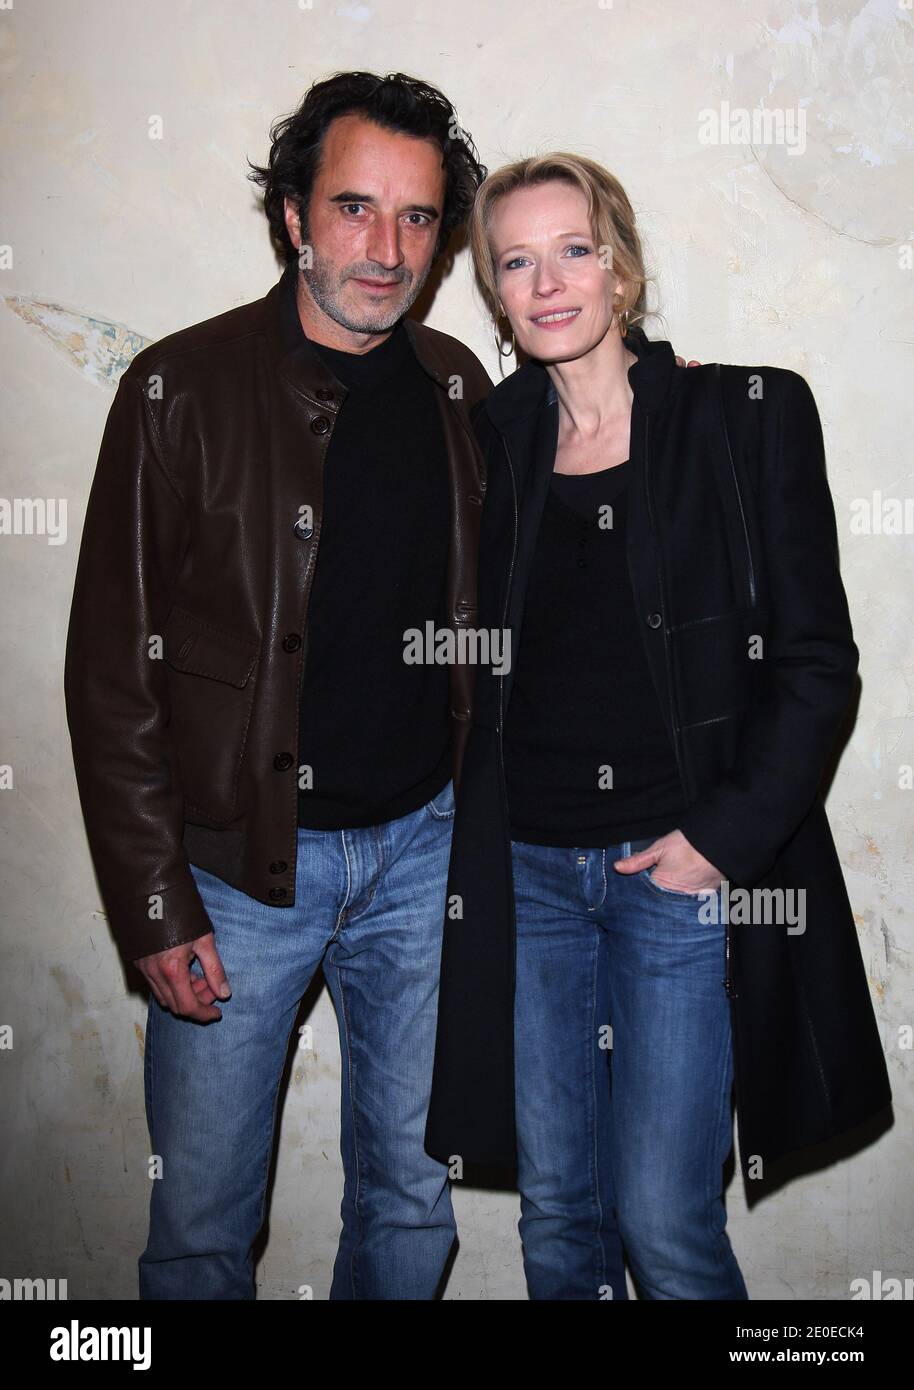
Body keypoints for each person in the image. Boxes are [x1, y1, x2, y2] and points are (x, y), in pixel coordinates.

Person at [424, 153, 892, 1300]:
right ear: (490, 287)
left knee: (662, 1222)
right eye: (515, 261)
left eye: (572, 250)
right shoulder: (492, 443)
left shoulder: (745, 417)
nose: (546, 283)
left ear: (619, 269)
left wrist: (722, 842)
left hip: (672, 877)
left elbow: (814, 665)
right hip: (527, 875)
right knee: (558, 1224)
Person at [63, 70, 494, 1300]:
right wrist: (151, 901)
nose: (386, 247)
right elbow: (111, 671)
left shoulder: (461, 386)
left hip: (424, 857)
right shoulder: (177, 389)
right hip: (236, 873)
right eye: (354, 208)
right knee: (200, 1226)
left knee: (411, 1202)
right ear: (294, 217)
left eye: (417, 218)